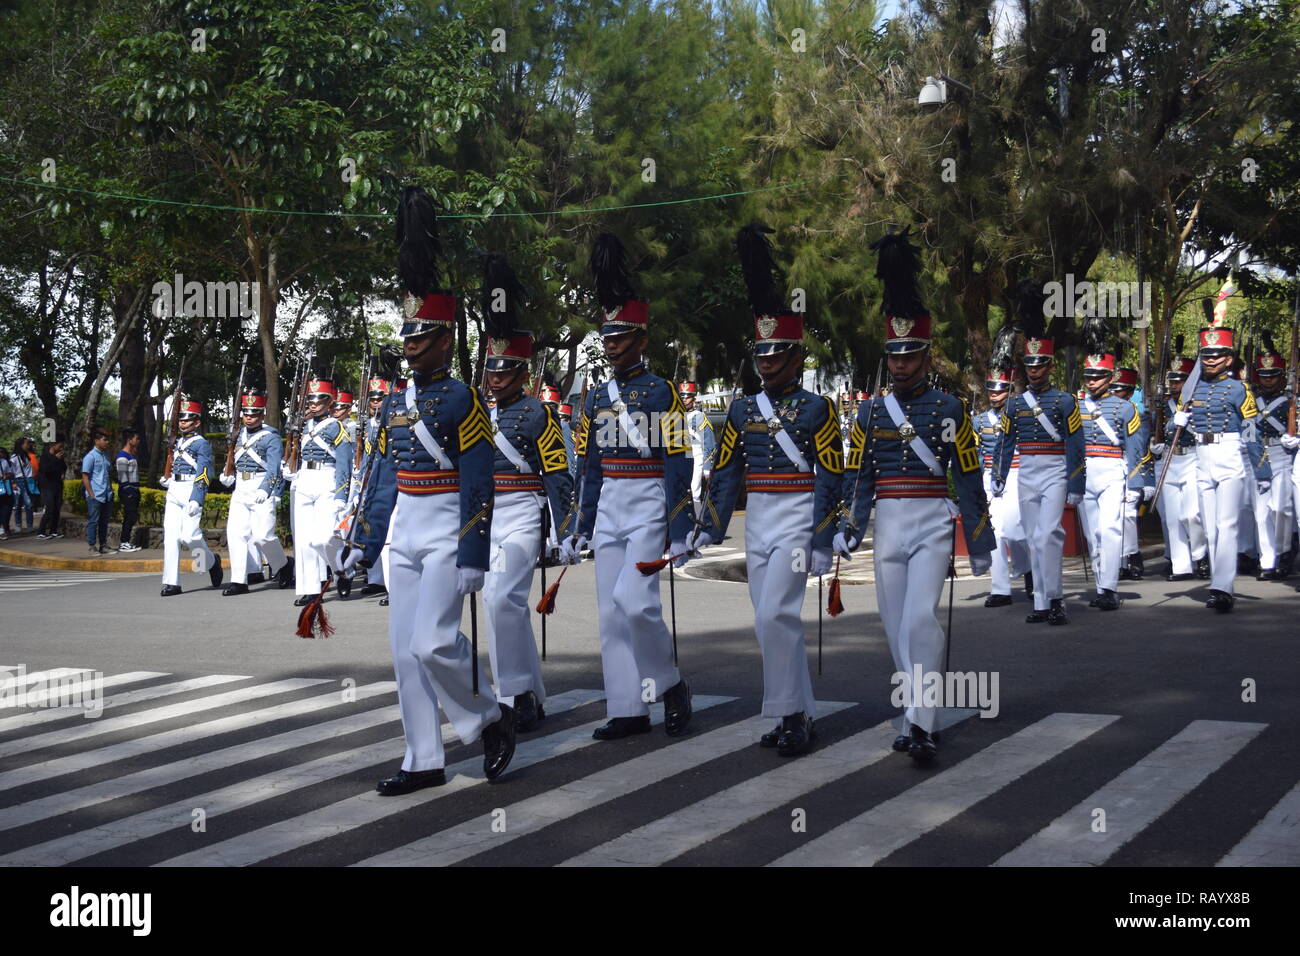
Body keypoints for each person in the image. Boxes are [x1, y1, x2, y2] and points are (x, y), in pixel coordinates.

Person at [343, 186, 516, 794]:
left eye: (423, 335)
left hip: (447, 531)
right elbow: (383, 479)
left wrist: (473, 553)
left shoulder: (463, 397)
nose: (411, 343)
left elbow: (478, 481)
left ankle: (487, 714)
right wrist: (363, 543)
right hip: (404, 531)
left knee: (435, 641)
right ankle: (423, 758)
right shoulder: (394, 402)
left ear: (445, 338)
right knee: (405, 655)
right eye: (407, 334)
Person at [834, 231, 994, 762]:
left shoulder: (951, 409)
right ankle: (913, 710)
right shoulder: (870, 413)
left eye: (909, 356)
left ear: (926, 355)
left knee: (921, 618)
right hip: (889, 522)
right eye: (893, 357)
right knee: (893, 623)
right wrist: (849, 527)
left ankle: (923, 724)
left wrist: (980, 538)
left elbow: (968, 476)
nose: (900, 365)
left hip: (930, 518)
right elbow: (857, 475)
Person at [688, 224, 843, 756]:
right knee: (766, 619)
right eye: (762, 355)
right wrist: (706, 527)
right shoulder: (742, 409)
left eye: (778, 355)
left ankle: (790, 714)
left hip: (799, 515)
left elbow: (831, 474)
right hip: (759, 520)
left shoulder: (818, 409)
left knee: (776, 614)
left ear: (797, 357)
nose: (767, 363)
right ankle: (795, 712)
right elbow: (726, 471)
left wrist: (825, 537)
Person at [563, 232, 694, 741]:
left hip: (648, 503)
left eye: (621, 338)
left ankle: (670, 682)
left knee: (635, 602)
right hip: (611, 502)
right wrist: (579, 524)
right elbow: (589, 468)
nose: (612, 346)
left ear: (642, 339)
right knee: (609, 613)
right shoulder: (595, 398)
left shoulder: (662, 392)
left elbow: (678, 461)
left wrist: (679, 525)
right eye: (607, 338)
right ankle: (627, 707)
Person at [476, 253, 575, 731]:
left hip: (524, 512)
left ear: (522, 371)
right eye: (492, 371)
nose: (496, 378)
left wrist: (568, 528)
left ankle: (513, 696)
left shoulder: (540, 414)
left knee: (501, 600)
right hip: (487, 513)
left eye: (505, 371)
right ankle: (528, 693)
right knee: (494, 602)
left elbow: (558, 473)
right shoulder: (476, 412)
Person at [992, 282, 1085, 625]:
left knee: (1049, 534)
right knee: (1032, 538)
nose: (1034, 371)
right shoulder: (1015, 404)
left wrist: (1077, 482)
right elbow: (1005, 442)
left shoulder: (1064, 401)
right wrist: (999, 475)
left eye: (1040, 365)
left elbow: (1076, 445)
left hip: (1055, 469)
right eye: (1029, 366)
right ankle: (1042, 602)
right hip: (1027, 469)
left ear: (1050, 366)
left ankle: (1057, 598)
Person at [1182, 319, 1270, 611]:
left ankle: (1222, 587)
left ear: (1229, 358)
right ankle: (1219, 582)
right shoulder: (1192, 388)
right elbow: (1177, 427)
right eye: (1206, 355)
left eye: (1217, 355)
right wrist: (1176, 422)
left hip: (1230, 452)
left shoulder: (1238, 389)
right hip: (1201, 454)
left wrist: (1261, 468)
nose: (1210, 360)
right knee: (1210, 527)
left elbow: (1251, 430)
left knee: (1227, 523)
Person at [1076, 347, 1146, 610]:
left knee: (1110, 528)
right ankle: (1100, 585)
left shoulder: (1125, 408)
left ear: (1110, 376)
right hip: (1084, 472)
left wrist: (1137, 484)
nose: (1092, 381)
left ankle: (1110, 587)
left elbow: (1135, 449)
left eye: (1098, 375)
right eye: (1088, 376)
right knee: (1092, 534)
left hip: (1112, 469)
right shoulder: (1076, 406)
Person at [281, 377, 353, 607]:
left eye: (318, 400)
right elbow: (295, 455)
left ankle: (341, 570)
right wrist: (290, 469)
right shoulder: (302, 427)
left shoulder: (337, 427)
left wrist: (342, 495)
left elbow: (344, 464)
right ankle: (310, 589)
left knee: (322, 539)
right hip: (305, 479)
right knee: (303, 541)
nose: (313, 404)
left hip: (326, 480)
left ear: (330, 403)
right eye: (310, 400)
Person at [218, 387, 289, 594]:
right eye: (246, 413)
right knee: (236, 533)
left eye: (254, 414)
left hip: (261, 486)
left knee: (262, 536)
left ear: (262, 414)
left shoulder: (271, 437)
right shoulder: (237, 435)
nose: (249, 418)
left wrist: (266, 489)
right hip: (241, 487)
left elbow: (274, 467)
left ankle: (284, 565)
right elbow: (232, 459)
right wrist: (227, 473)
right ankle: (239, 580)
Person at [976, 365, 1032, 606]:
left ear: (1009, 391)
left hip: (1017, 474)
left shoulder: (1022, 415)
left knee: (1016, 532)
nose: (994, 396)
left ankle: (1029, 569)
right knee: (995, 533)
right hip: (991, 477)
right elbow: (977, 453)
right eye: (991, 391)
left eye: (999, 391)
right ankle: (1000, 589)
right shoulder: (979, 421)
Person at [160, 397, 222, 596]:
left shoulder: (201, 444)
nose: (183, 423)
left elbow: (204, 472)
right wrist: (168, 478)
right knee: (170, 536)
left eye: (187, 420)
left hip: (190, 490)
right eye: (181, 419)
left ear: (197, 422)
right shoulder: (177, 441)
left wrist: (197, 497)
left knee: (189, 536)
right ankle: (172, 582)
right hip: (175, 489)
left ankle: (212, 562)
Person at [1249, 337, 1294, 580]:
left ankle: (1283, 552)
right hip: (1257, 455)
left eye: (1272, 375)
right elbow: (1247, 427)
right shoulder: (1250, 401)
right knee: (1261, 512)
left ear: (1281, 376)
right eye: (1264, 375)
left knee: (1280, 508)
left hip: (1281, 453)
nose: (1267, 380)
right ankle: (1268, 560)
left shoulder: (1291, 401)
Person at [1109, 366, 1153, 579]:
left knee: (1127, 514)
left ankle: (1133, 556)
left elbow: (1140, 447)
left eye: (1121, 391)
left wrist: (1144, 478)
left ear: (1129, 392)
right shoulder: (1104, 410)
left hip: (1129, 464)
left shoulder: (1137, 413)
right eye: (1114, 390)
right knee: (1111, 517)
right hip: (1109, 463)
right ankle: (1117, 562)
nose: (1116, 394)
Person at [679, 381, 717, 510]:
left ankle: (697, 524)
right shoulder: (674, 416)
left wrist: (707, 466)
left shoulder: (700, 417)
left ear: (693, 399)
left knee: (694, 493)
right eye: (682, 396)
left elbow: (709, 443)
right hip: (679, 458)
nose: (684, 400)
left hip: (696, 458)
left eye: (687, 397)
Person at [80, 428, 114, 554]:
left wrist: (110, 491)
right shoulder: (90, 457)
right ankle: (92, 546)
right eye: (104, 440)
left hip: (107, 494)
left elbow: (107, 475)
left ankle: (103, 545)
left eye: (107, 440)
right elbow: (85, 476)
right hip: (95, 495)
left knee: (104, 522)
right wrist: (91, 494)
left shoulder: (106, 456)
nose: (107, 442)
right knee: (93, 521)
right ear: (97, 441)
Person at [114, 430, 142, 550]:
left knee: (132, 516)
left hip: (134, 489)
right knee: (129, 516)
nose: (138, 441)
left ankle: (126, 541)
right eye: (136, 439)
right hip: (128, 490)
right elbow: (122, 477)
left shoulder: (131, 455)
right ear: (130, 440)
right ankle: (124, 542)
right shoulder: (122, 457)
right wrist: (129, 491)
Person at [36, 440, 68, 539]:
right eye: (60, 446)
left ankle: (53, 530)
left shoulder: (59, 457)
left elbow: (64, 467)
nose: (61, 448)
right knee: (49, 507)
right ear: (53, 446)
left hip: (57, 485)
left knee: (57, 509)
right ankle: (41, 532)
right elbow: (46, 470)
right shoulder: (45, 457)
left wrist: (61, 460)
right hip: (47, 486)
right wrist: (55, 458)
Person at [9, 437, 36, 534]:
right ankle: (18, 526)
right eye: (26, 444)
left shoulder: (26, 456)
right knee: (18, 504)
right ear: (21, 445)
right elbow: (11, 471)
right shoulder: (14, 458)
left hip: (28, 481)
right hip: (18, 481)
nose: (28, 445)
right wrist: (13, 482)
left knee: (29, 505)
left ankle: (29, 526)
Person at [0, 446, 13, 538]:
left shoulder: (3, 462)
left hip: (4, 488)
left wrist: (5, 476)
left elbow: (10, 473)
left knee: (6, 509)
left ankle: (4, 528)